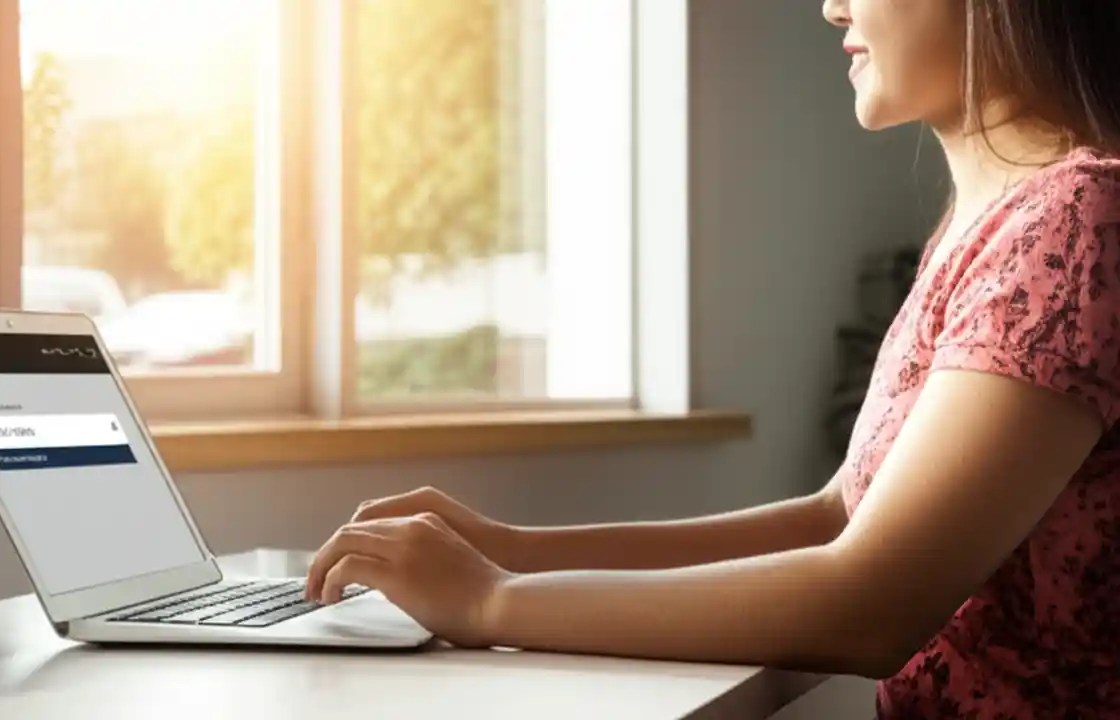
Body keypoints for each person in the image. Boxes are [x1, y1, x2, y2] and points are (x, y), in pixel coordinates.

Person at [306, 1, 1120, 716]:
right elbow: (837, 517)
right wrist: (513, 549)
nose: (834, 8)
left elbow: (873, 605)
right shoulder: (998, 225)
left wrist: (491, 601)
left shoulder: (1075, 223)